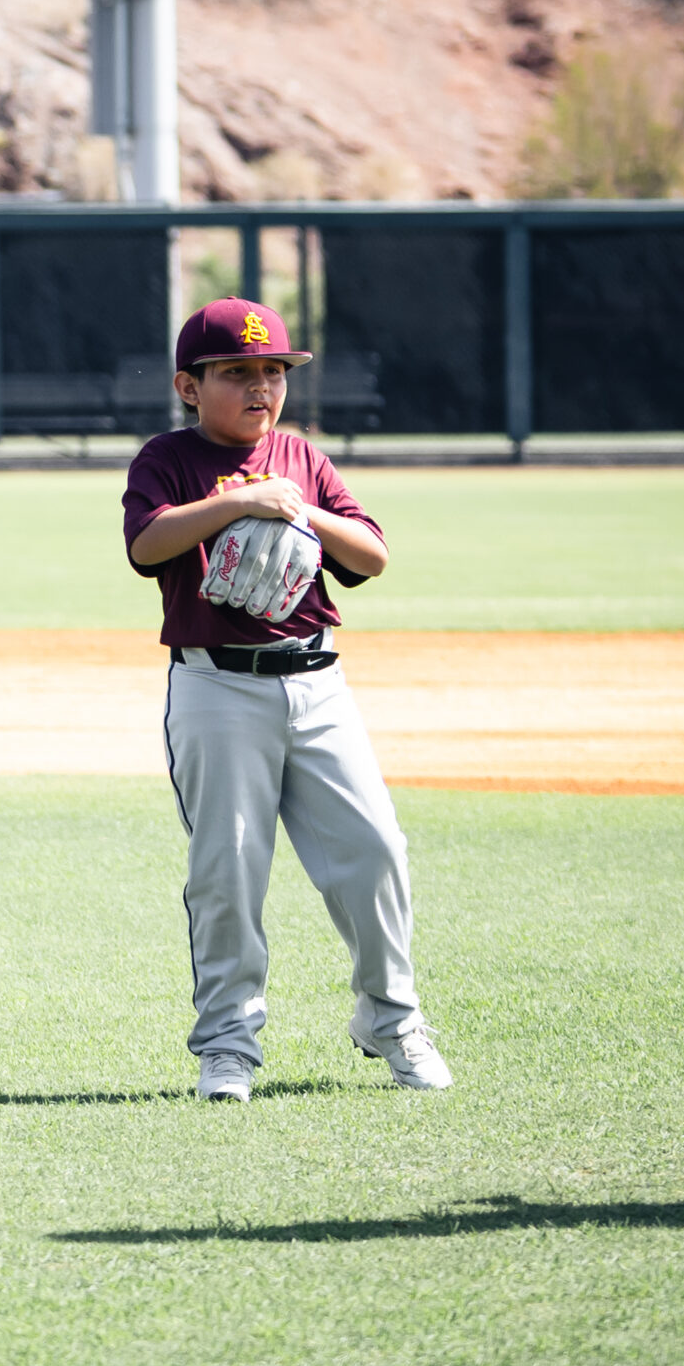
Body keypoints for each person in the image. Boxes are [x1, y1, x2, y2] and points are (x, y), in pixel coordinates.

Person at [123, 298, 452, 1102]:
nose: (261, 387)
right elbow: (147, 544)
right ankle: (228, 1047)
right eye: (237, 372)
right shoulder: (166, 459)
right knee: (228, 871)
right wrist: (237, 501)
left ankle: (390, 1017)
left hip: (317, 683)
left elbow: (372, 556)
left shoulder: (302, 458)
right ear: (189, 386)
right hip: (215, 686)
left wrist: (297, 506)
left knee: (376, 850)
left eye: (274, 371)